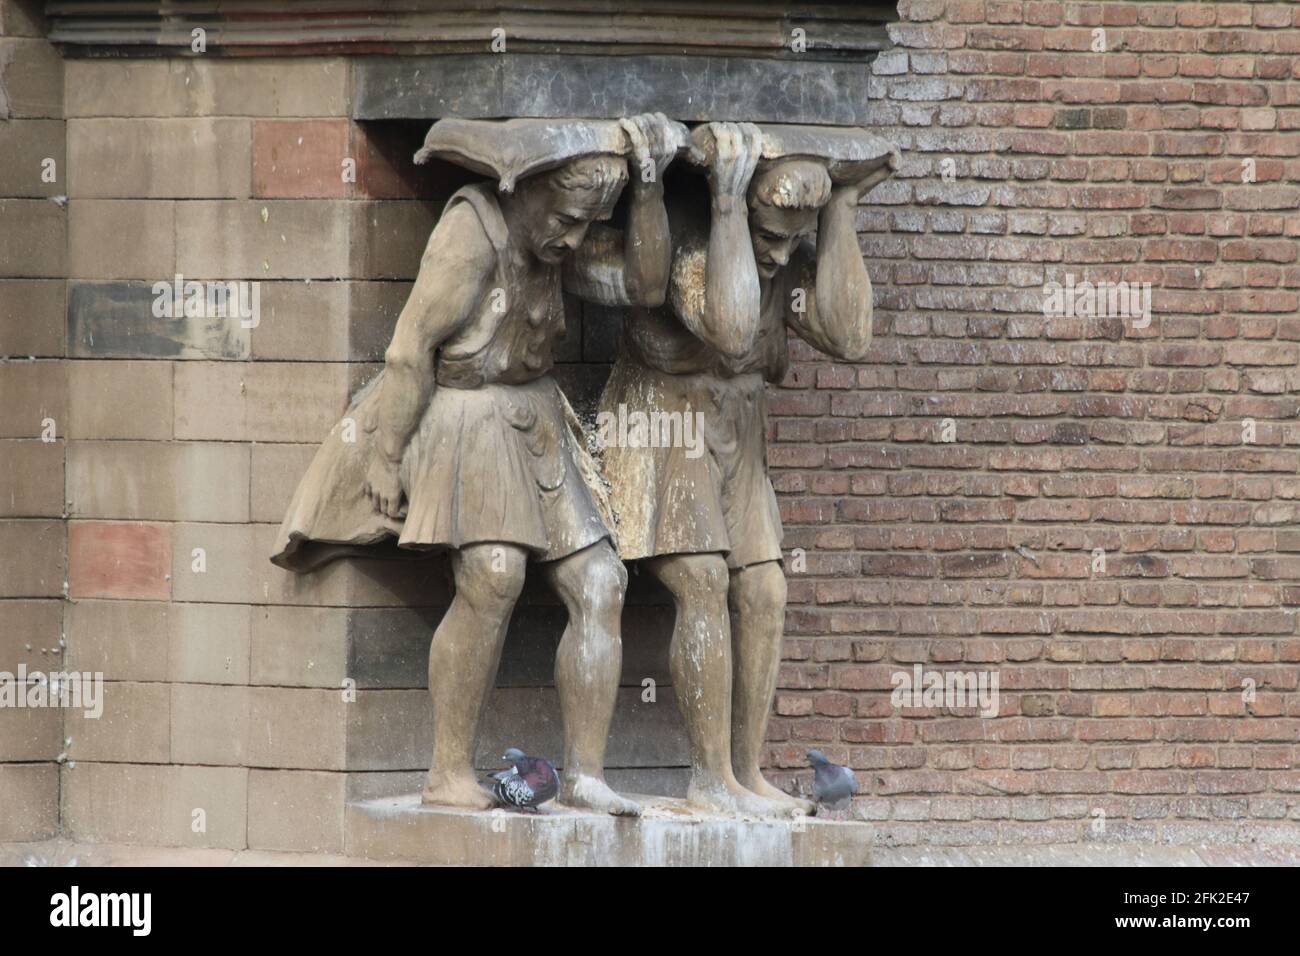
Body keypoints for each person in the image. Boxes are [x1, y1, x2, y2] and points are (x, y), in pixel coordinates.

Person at [273, 114, 681, 816]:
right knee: (494, 576)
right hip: (465, 414)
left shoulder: (558, 239)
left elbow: (644, 286)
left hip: (537, 417)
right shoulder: (473, 232)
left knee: (602, 580)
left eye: (587, 222)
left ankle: (583, 774)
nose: (575, 237)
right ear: (526, 191)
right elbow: (410, 349)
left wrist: (647, 191)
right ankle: (447, 770)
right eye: (567, 217)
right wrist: (386, 456)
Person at [598, 122, 895, 815]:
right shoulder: (687, 240)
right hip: (662, 428)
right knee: (701, 581)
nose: (780, 252)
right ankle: (709, 779)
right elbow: (730, 327)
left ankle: (746, 771)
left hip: (738, 435)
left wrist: (844, 206)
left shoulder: (781, 260)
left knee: (765, 592)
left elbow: (848, 334)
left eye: (796, 235)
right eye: (770, 231)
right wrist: (729, 206)